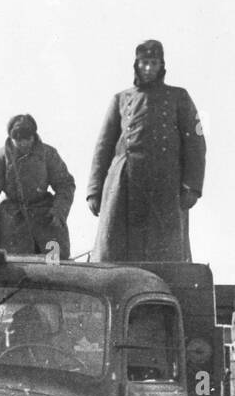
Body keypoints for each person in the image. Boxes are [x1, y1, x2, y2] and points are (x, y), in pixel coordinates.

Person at [86, 39, 206, 262]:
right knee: (115, 249)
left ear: (162, 66)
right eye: (144, 63)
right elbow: (103, 147)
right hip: (124, 185)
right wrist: (94, 191)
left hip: (165, 186)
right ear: (136, 65)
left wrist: (192, 187)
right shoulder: (121, 100)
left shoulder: (179, 98)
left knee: (165, 252)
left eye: (153, 63)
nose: (149, 68)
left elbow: (196, 144)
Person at [0, 114, 75, 259]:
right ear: (11, 138)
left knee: (55, 267)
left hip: (47, 224)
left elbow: (65, 184)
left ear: (34, 136)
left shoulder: (49, 154)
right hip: (12, 228)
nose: (23, 143)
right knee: (16, 273)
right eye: (18, 140)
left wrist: (59, 212)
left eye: (27, 139)